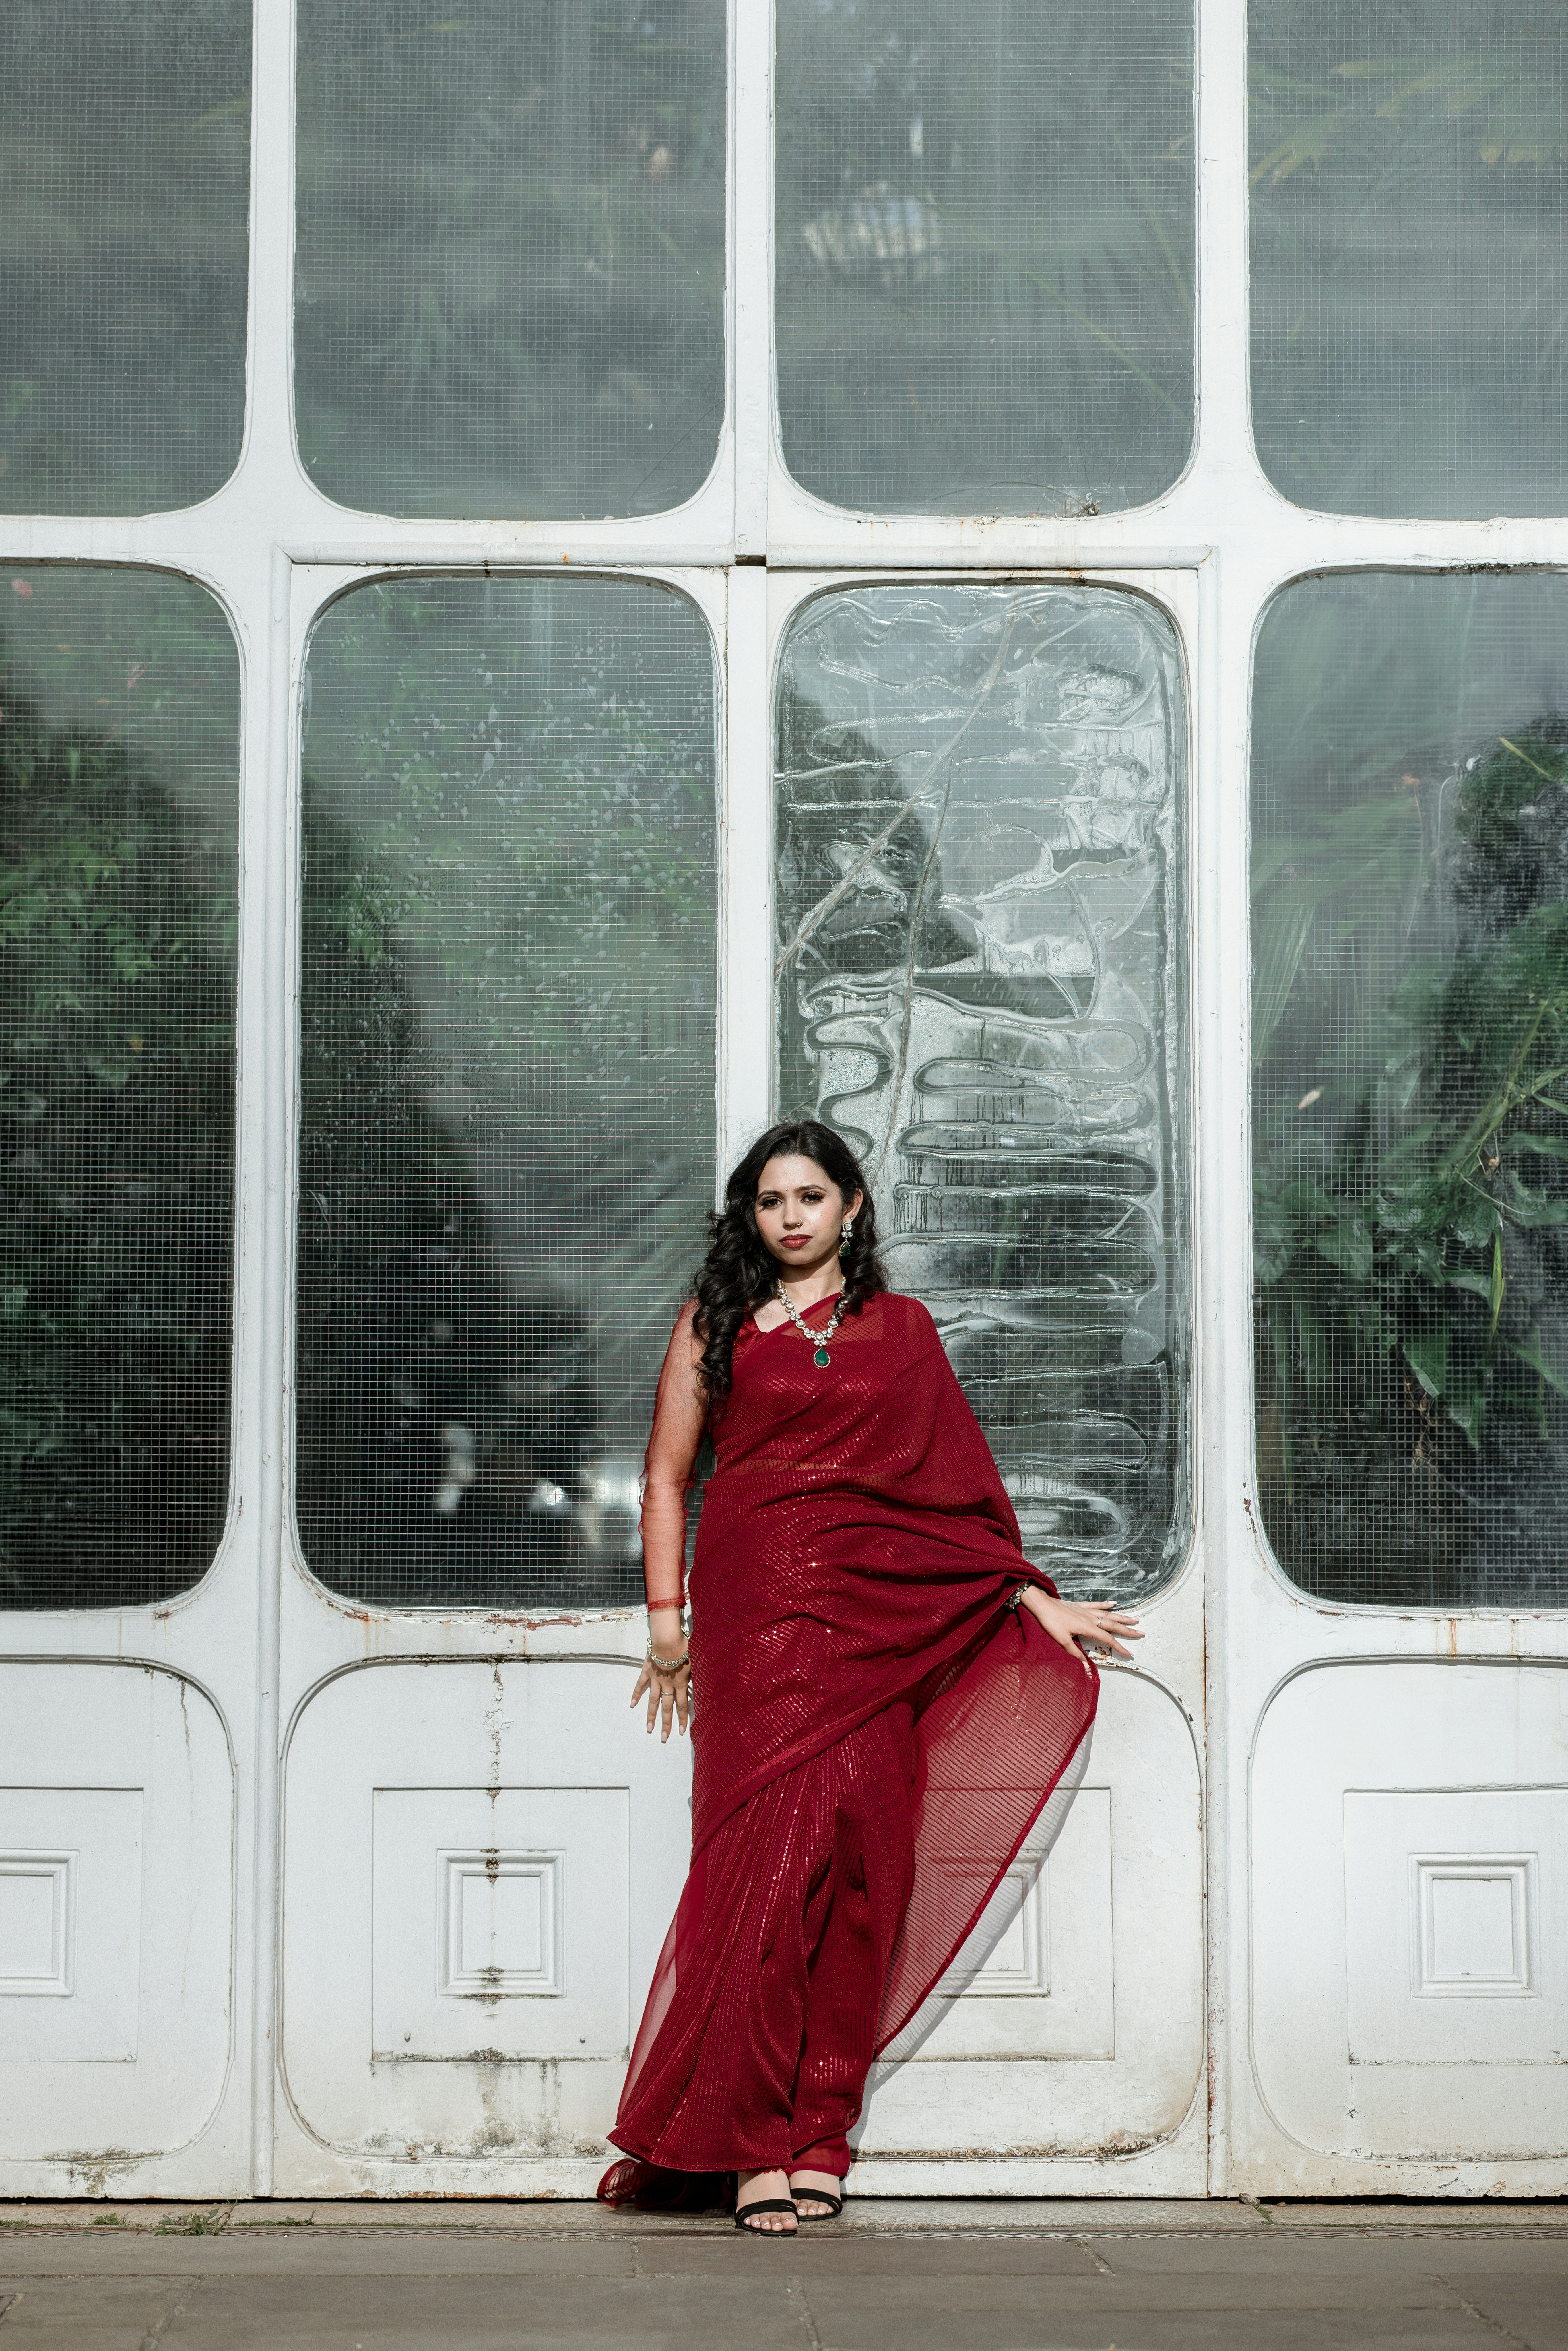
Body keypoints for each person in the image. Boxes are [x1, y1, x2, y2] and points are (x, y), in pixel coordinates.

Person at [597, 1120, 1141, 2235]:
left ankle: (819, 2134)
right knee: (765, 1883)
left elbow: (949, 1489)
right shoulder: (715, 1325)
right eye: (767, 1199)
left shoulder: (900, 1332)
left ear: (851, 1205)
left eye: (809, 1194)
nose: (788, 1215)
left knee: (862, 1879)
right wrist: (667, 1630)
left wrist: (1023, 1591)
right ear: (751, 1217)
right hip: (756, 1633)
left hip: (876, 1631)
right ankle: (750, 2143)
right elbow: (665, 1474)